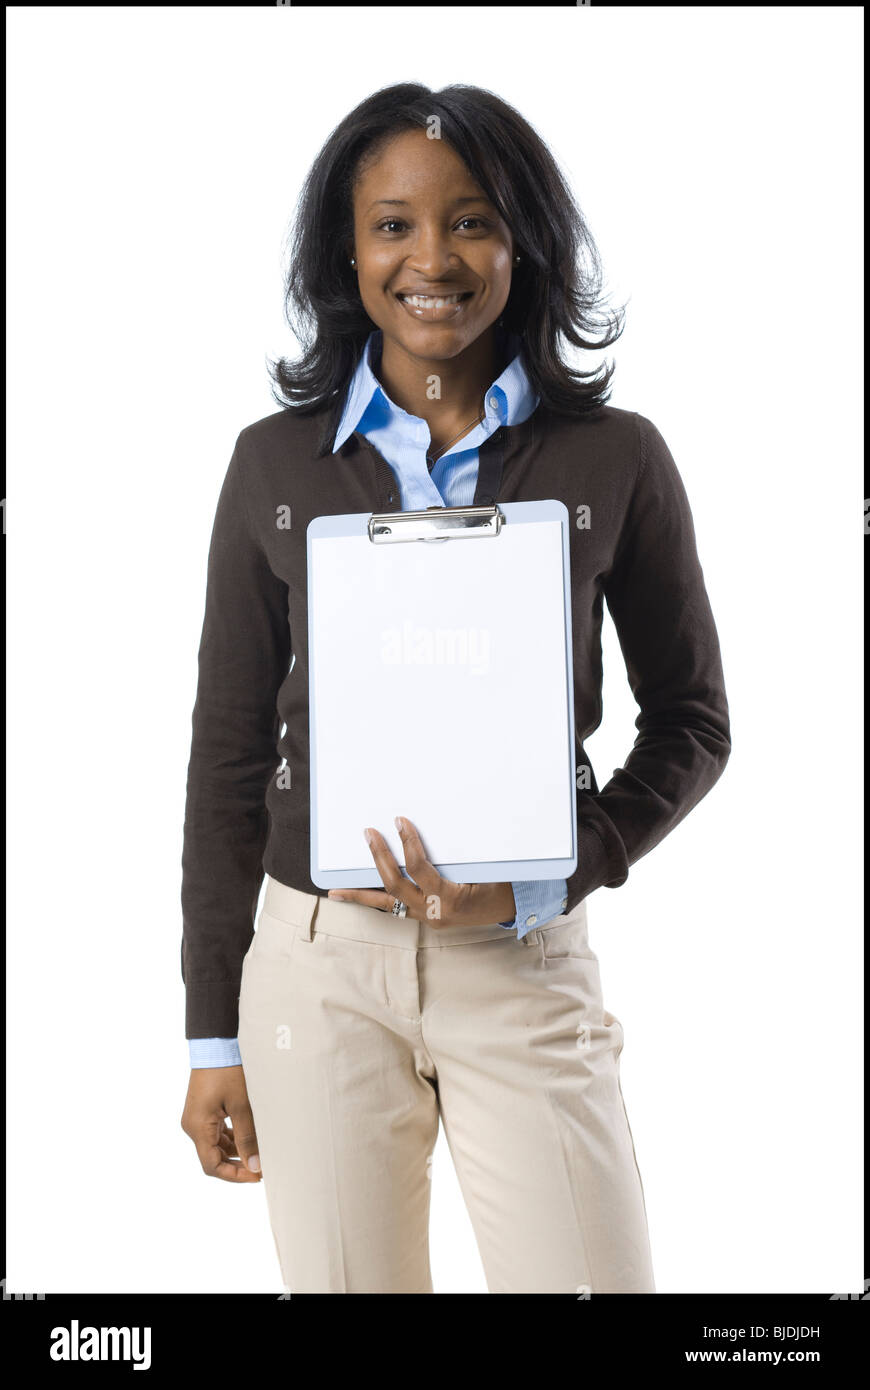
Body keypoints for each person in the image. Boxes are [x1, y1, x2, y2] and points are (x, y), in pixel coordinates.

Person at [180, 82, 731, 1294]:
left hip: (522, 961)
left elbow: (693, 722)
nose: (432, 259)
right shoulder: (272, 464)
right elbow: (227, 756)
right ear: (347, 251)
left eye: (472, 220)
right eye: (393, 225)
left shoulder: (616, 457)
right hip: (316, 968)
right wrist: (213, 1030)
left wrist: (556, 873)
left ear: (525, 242)